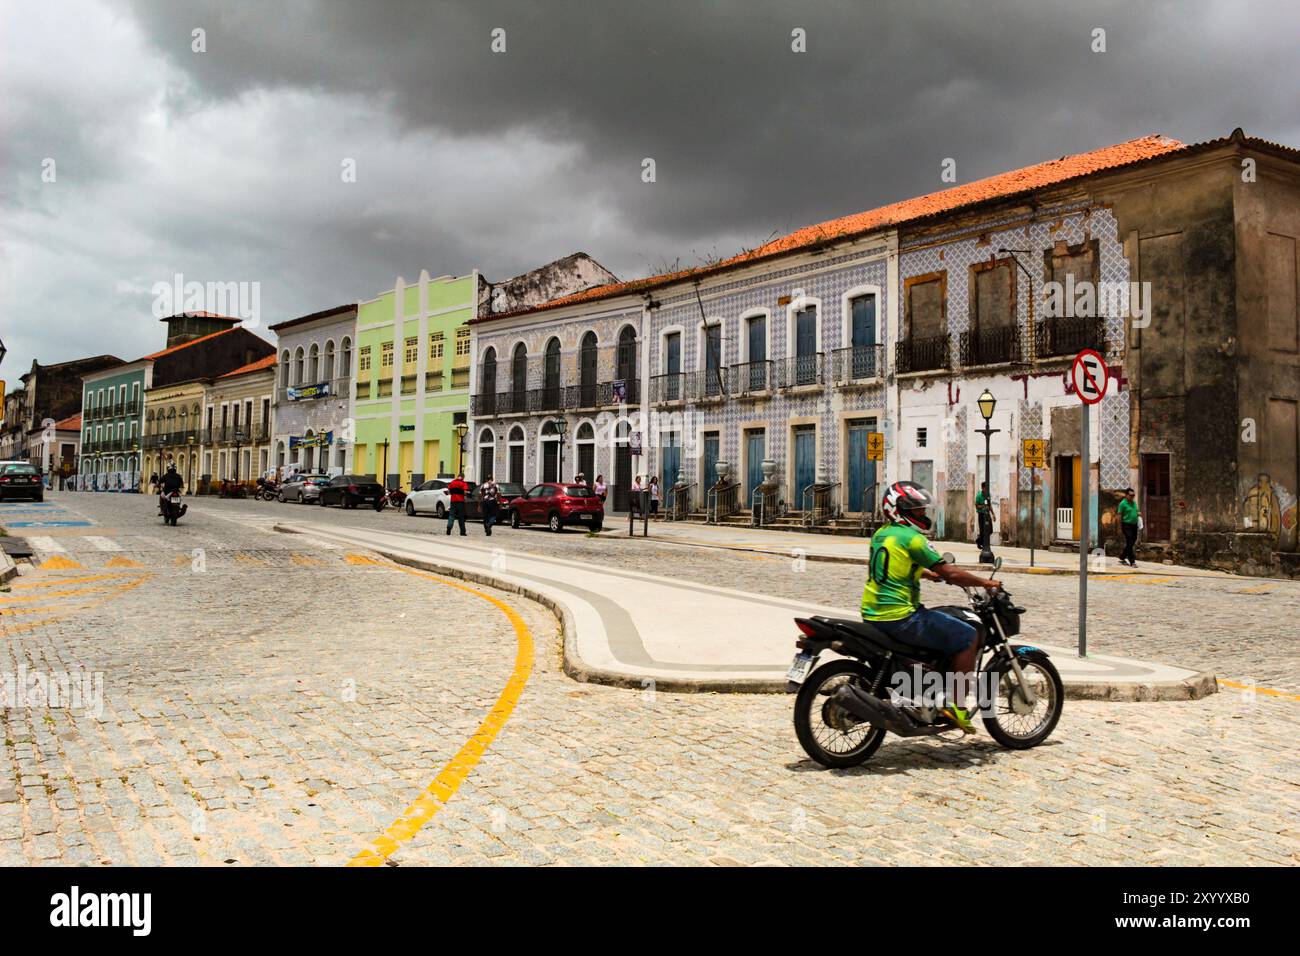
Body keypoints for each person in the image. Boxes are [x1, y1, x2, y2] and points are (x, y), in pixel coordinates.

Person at [859, 480, 1002, 734]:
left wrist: (924, 574)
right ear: (899, 510)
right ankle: (957, 706)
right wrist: (985, 581)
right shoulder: (913, 539)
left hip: (872, 613)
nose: (922, 514)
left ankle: (923, 691)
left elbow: (894, 568)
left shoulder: (882, 535)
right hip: (901, 616)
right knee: (966, 634)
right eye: (916, 510)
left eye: (922, 510)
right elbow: (951, 573)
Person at [1118, 487, 1141, 567]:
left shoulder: (1134, 503)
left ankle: (1122, 557)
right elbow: (1120, 516)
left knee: (1132, 541)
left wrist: (1138, 513)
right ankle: (1132, 562)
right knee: (1130, 541)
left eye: (1133, 495)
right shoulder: (1122, 504)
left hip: (1134, 525)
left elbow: (1136, 511)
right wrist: (1119, 527)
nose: (1132, 497)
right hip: (1126, 525)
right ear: (1126, 495)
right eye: (1131, 495)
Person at [445, 472, 468, 536]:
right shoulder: (463, 483)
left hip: (453, 501)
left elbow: (449, 491)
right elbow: (465, 492)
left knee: (451, 515)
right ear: (463, 477)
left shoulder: (452, 482)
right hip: (460, 502)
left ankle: (449, 528)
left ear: (458, 476)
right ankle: (462, 532)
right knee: (461, 517)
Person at [975, 481, 993, 552]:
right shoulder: (979, 495)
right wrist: (983, 506)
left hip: (987, 514)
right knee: (982, 531)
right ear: (982, 488)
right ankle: (983, 543)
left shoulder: (988, 494)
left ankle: (979, 540)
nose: (987, 489)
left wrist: (993, 514)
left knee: (990, 530)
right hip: (981, 515)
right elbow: (976, 505)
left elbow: (989, 504)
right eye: (986, 488)